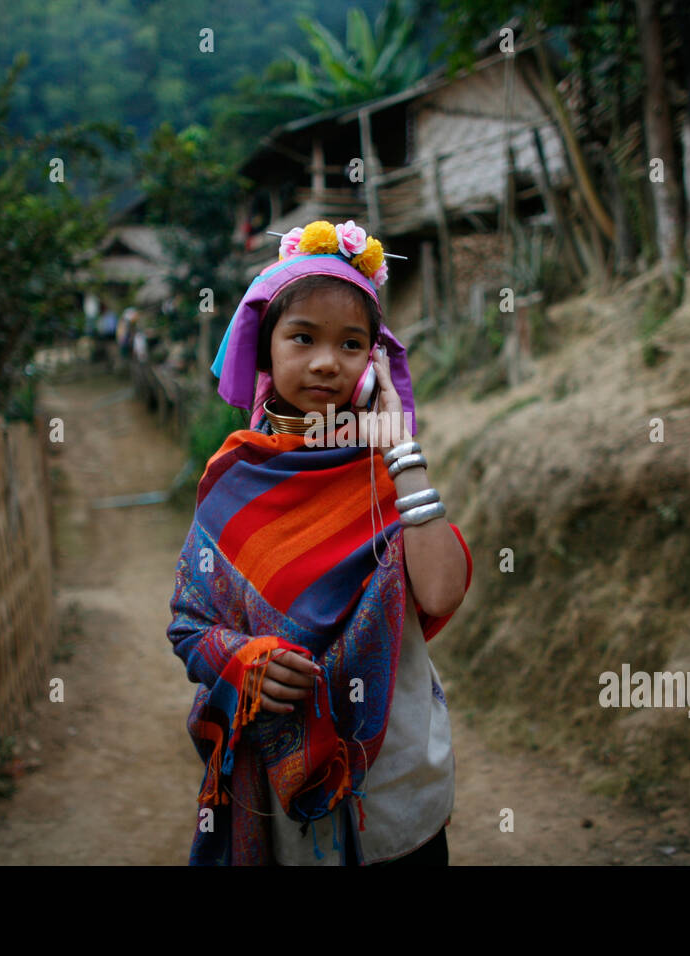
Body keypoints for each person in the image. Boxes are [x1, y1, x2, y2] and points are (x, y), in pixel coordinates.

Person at [167, 219, 472, 866]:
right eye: (302, 337)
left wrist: (402, 453)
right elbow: (191, 625)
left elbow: (442, 589)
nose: (327, 361)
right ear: (265, 349)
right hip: (282, 802)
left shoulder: (389, 471)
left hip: (396, 787)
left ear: (373, 364)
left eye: (352, 344)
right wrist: (245, 663)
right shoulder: (235, 480)